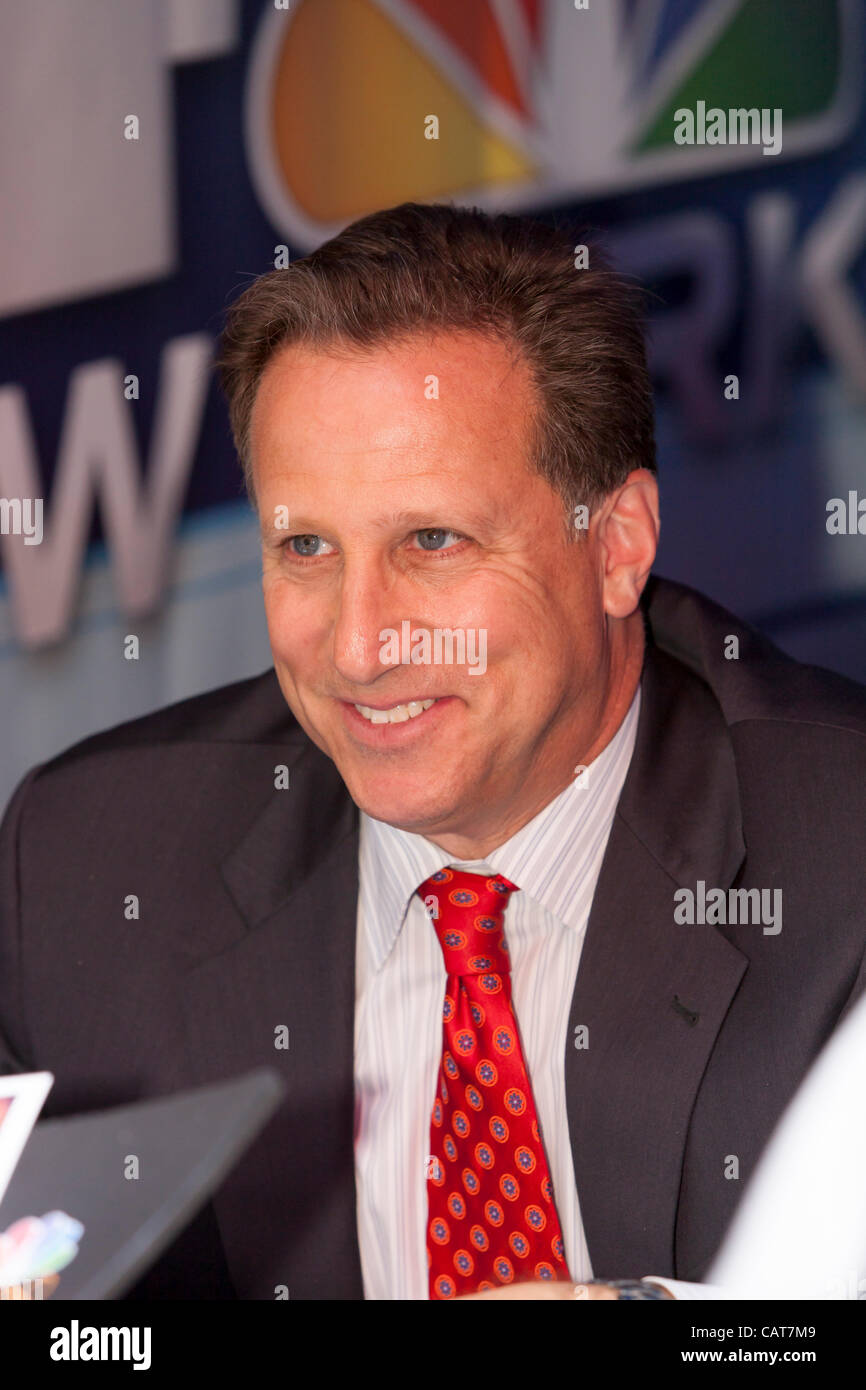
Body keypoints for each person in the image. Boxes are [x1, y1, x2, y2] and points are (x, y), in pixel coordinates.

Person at [1, 202, 865, 1301]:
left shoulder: (840, 862)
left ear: (617, 545)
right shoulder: (86, 865)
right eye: (305, 546)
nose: (360, 645)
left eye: (432, 541)